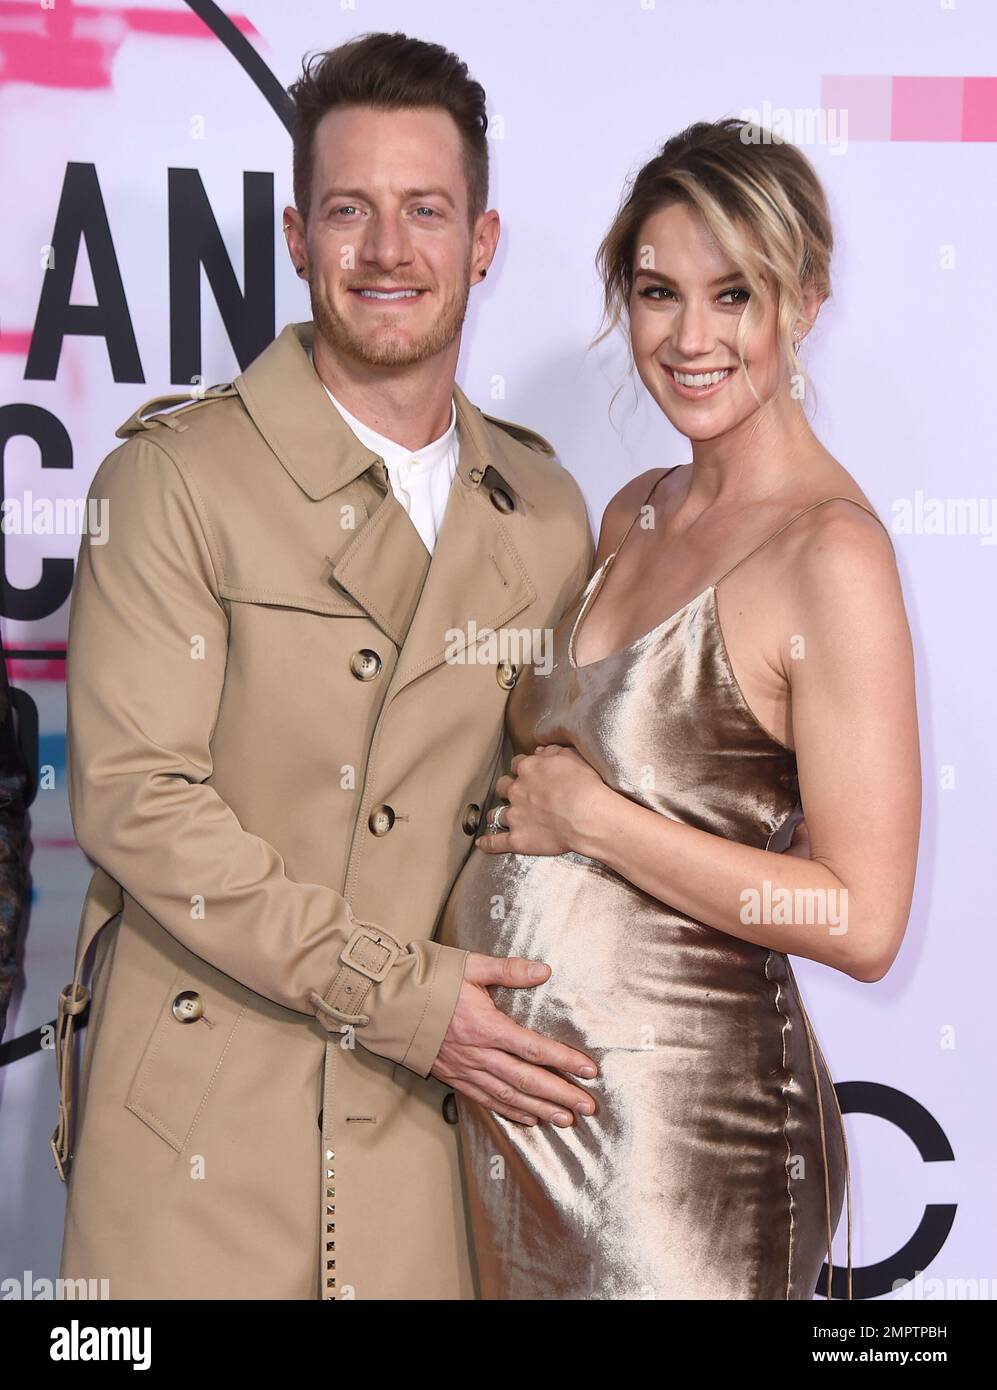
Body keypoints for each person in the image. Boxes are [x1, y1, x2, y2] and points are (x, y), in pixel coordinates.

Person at [51, 32, 597, 1301]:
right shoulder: (171, 482)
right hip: (201, 1151)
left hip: (438, 1151)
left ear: (483, 242)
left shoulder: (547, 511)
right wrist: (403, 999)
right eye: (350, 210)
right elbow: (138, 802)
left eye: (426, 211)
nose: (388, 250)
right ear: (297, 236)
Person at [437, 119, 921, 1300]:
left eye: (733, 295)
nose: (691, 339)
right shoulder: (633, 510)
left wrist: (596, 822)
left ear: (805, 301)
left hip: (682, 1155)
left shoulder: (830, 554)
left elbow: (862, 919)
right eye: (659, 293)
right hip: (527, 1126)